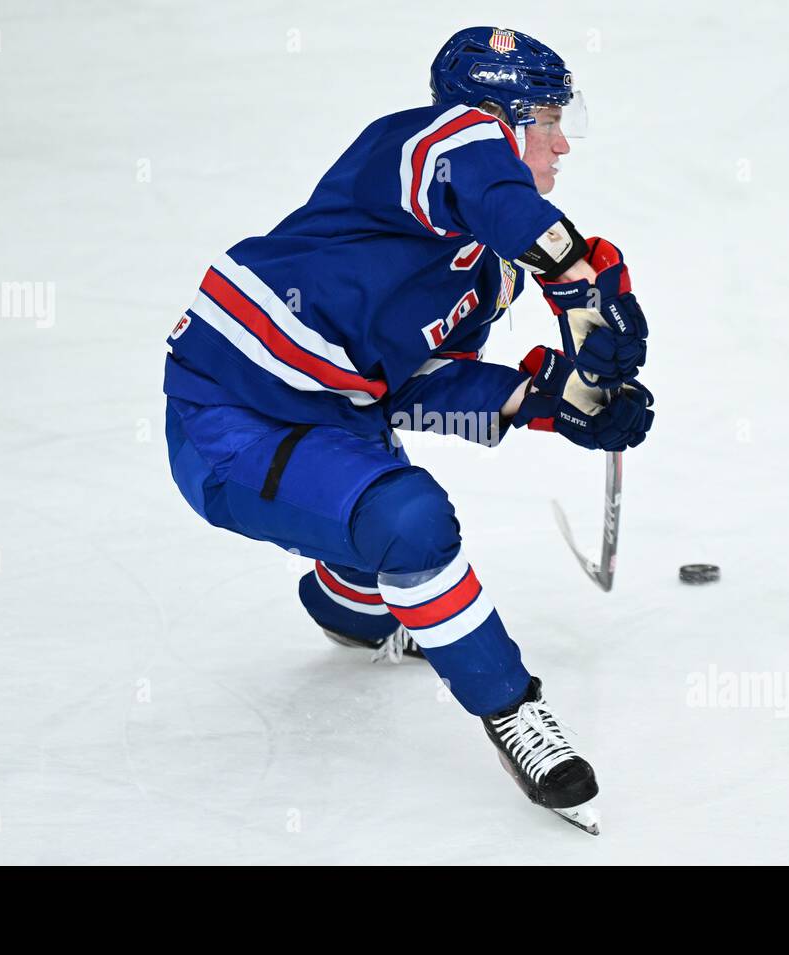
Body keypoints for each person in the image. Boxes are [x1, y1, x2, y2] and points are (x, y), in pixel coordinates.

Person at [163, 26, 652, 831]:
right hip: (229, 414)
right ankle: (512, 710)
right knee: (412, 520)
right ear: (498, 116)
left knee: (375, 603)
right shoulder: (430, 145)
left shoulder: (485, 271)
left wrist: (557, 401)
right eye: (546, 118)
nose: (563, 143)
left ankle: (345, 601)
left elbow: (422, 390)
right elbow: (494, 190)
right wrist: (568, 269)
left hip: (336, 422)